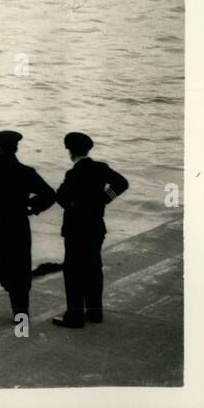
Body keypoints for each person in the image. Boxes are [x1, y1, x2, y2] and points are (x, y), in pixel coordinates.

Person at [0, 130, 56, 327]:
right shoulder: (26, 172)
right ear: (16, 148)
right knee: (19, 273)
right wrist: (31, 208)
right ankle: (21, 322)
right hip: (18, 227)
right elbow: (49, 194)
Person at [52, 132, 129, 328]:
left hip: (76, 228)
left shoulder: (73, 174)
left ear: (70, 152)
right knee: (94, 268)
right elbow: (122, 183)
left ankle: (75, 316)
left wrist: (72, 207)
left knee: (73, 271)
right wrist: (104, 199)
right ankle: (95, 313)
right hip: (96, 226)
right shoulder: (100, 168)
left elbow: (60, 197)